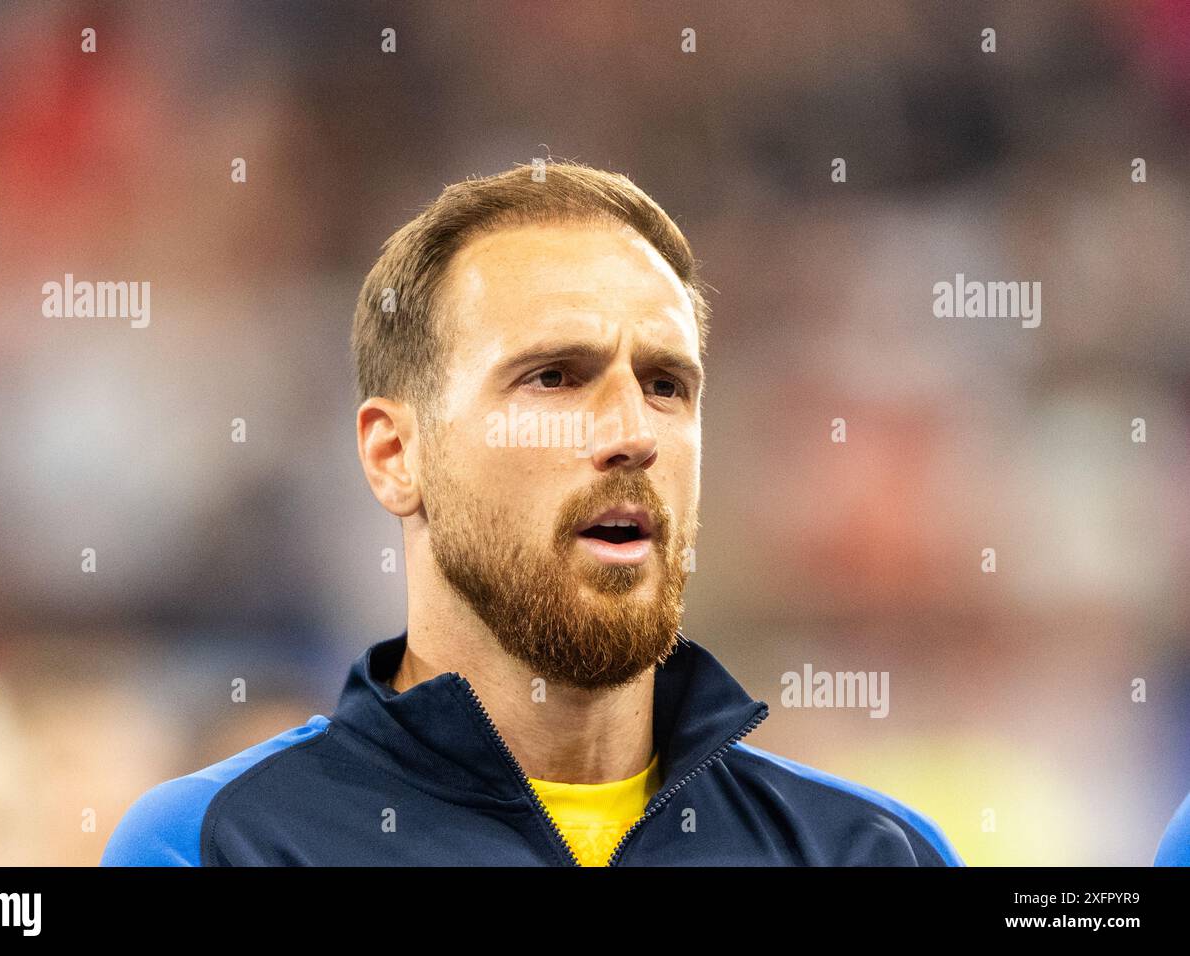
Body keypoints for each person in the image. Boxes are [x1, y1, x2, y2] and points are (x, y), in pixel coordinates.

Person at [101, 161, 963, 866]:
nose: (633, 434)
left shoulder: (872, 853)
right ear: (396, 455)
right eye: (554, 376)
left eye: (667, 386)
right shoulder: (222, 847)